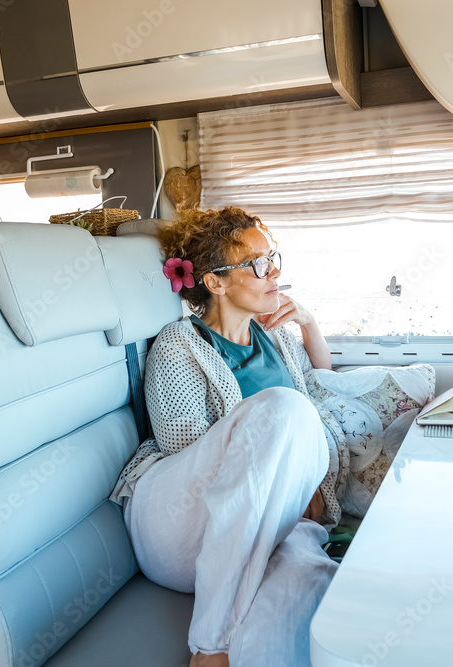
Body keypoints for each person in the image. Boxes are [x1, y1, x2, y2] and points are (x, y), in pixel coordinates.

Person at [110, 206, 338, 667]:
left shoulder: (276, 340)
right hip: (179, 522)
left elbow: (322, 384)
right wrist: (287, 462)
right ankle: (211, 646)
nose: (273, 271)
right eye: (257, 264)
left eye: (273, 257)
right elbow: (186, 453)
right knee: (284, 408)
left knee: (312, 587)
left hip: (266, 530)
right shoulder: (181, 345)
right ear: (215, 282)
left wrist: (308, 323)